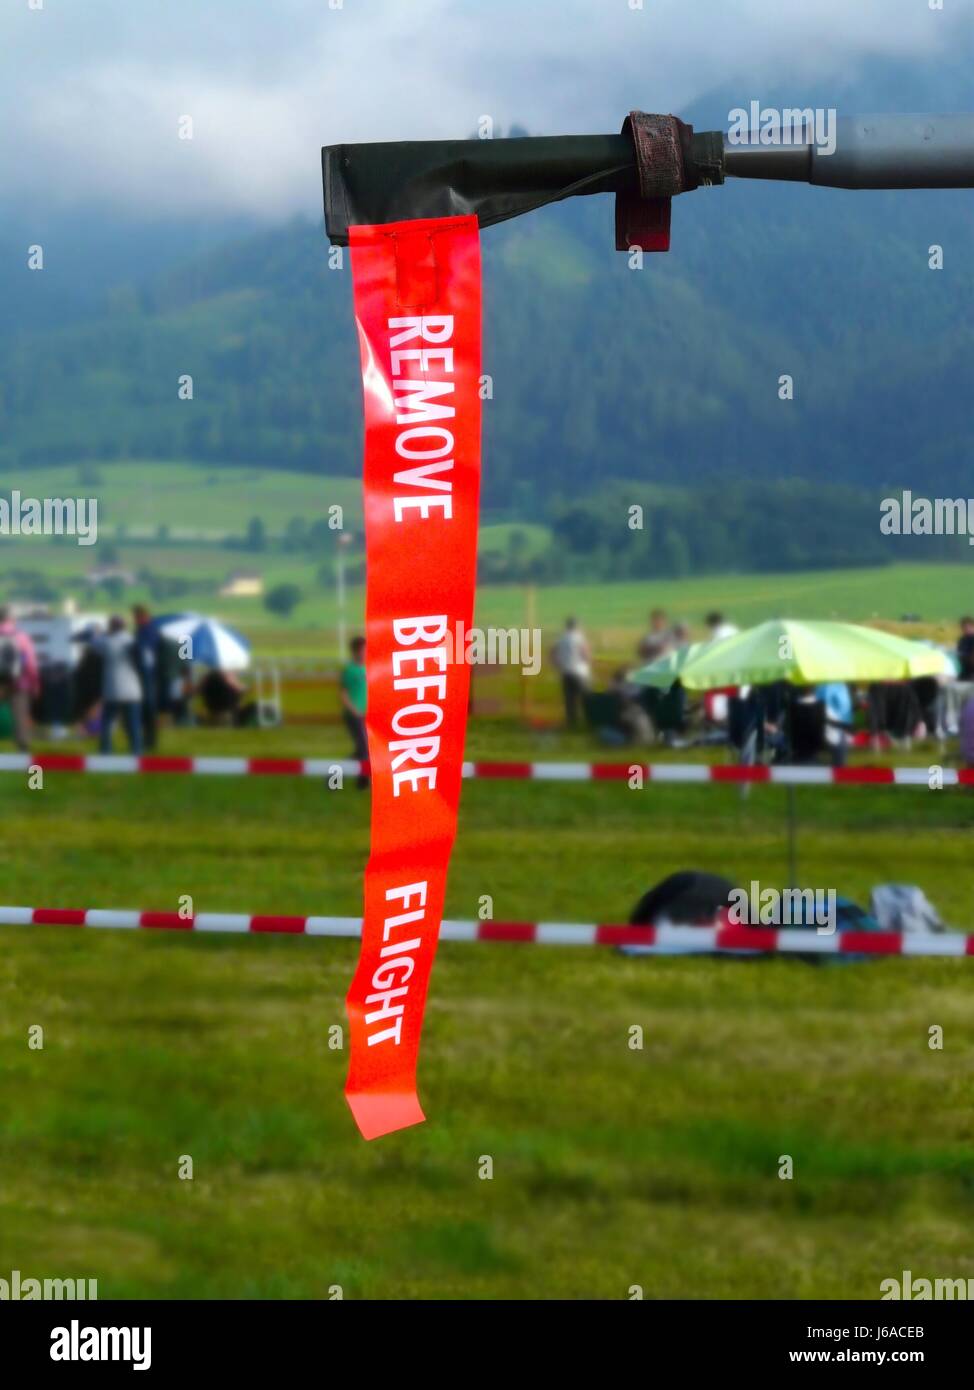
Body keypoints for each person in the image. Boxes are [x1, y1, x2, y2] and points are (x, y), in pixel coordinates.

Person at [85, 616, 144, 754]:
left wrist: (100, 633)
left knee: (107, 723)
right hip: (132, 689)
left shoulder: (107, 642)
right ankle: (136, 751)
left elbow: (94, 644)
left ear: (112, 627)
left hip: (113, 689)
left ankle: (106, 750)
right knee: (133, 724)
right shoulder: (132, 640)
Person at [0, 604, 41, 751]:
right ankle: (22, 748)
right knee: (20, 715)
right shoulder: (21, 636)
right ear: (11, 619)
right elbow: (30, 663)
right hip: (19, 682)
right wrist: (35, 684)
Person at [551, 617, 591, 729]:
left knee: (569, 700)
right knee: (585, 698)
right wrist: (587, 662)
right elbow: (585, 653)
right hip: (580, 672)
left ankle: (571, 722)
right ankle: (588, 721)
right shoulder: (579, 638)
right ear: (577, 626)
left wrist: (557, 665)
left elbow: (552, 652)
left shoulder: (561, 638)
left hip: (565, 672)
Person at [340, 635, 369, 788]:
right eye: (364, 651)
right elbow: (344, 694)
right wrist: (354, 711)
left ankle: (334, 774)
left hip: (366, 715)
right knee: (364, 750)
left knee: (361, 751)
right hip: (354, 716)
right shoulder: (350, 670)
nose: (366, 653)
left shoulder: (367, 668)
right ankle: (362, 783)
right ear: (355, 652)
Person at [132, 605, 161, 749]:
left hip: (147, 673)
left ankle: (150, 740)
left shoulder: (147, 630)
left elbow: (145, 650)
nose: (135, 620)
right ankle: (148, 739)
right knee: (146, 707)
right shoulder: (146, 629)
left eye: (137, 617)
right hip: (146, 672)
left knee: (148, 706)